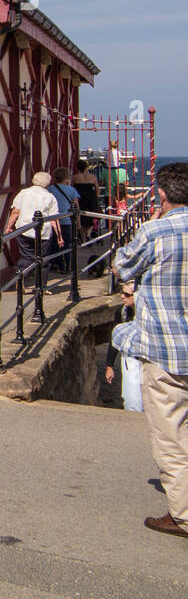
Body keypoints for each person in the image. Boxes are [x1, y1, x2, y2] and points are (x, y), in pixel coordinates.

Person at [111, 162, 188, 538]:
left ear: (161, 194)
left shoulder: (155, 231)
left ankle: (184, 515)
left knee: (171, 434)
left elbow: (122, 266)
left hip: (166, 350)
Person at [6, 172, 62, 274]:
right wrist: (59, 237)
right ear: (48, 183)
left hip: (24, 229)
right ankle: (42, 286)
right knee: (43, 259)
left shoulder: (24, 193)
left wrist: (9, 227)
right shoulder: (50, 197)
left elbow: (15, 212)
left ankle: (21, 279)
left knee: (26, 257)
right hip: (43, 232)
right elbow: (54, 218)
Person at [47, 167, 81, 273]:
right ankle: (66, 266)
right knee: (66, 245)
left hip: (53, 220)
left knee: (54, 244)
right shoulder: (71, 190)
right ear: (66, 178)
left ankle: (54, 263)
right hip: (66, 220)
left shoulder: (50, 189)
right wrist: (78, 222)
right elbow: (76, 207)